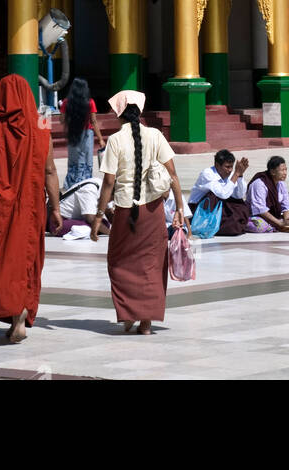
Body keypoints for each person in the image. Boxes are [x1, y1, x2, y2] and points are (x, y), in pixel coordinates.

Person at [0, 74, 62, 343]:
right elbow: (50, 171)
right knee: (26, 260)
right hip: (31, 209)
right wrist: (55, 208)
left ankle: (11, 314)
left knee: (1, 261)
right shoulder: (41, 127)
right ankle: (19, 315)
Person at [89, 90, 185, 335]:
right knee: (152, 265)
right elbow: (172, 175)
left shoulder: (114, 140)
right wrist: (180, 209)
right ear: (140, 111)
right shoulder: (155, 135)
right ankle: (146, 321)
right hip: (153, 211)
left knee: (120, 263)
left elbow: (108, 182)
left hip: (124, 211)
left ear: (118, 113)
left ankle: (130, 313)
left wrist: (99, 216)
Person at [188, 149, 250, 236]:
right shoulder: (207, 174)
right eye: (227, 167)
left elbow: (239, 195)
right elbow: (223, 194)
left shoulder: (231, 174)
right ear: (217, 165)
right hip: (200, 210)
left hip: (218, 208)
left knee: (240, 205)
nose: (230, 170)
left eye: (231, 167)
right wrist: (236, 174)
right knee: (213, 196)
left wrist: (240, 176)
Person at [60, 77, 104, 187]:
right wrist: (100, 139)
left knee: (74, 160)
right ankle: (86, 184)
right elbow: (93, 121)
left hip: (73, 133)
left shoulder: (66, 102)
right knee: (86, 159)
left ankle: (72, 185)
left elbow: (61, 120)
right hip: (87, 134)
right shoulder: (90, 102)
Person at [247, 155, 289, 233]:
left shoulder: (281, 184)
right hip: (255, 215)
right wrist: (279, 223)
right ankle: (244, 224)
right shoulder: (259, 184)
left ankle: (273, 225)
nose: (285, 173)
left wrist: (286, 221)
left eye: (286, 170)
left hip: (273, 216)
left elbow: (286, 205)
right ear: (272, 172)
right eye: (282, 170)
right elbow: (260, 209)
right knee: (261, 227)